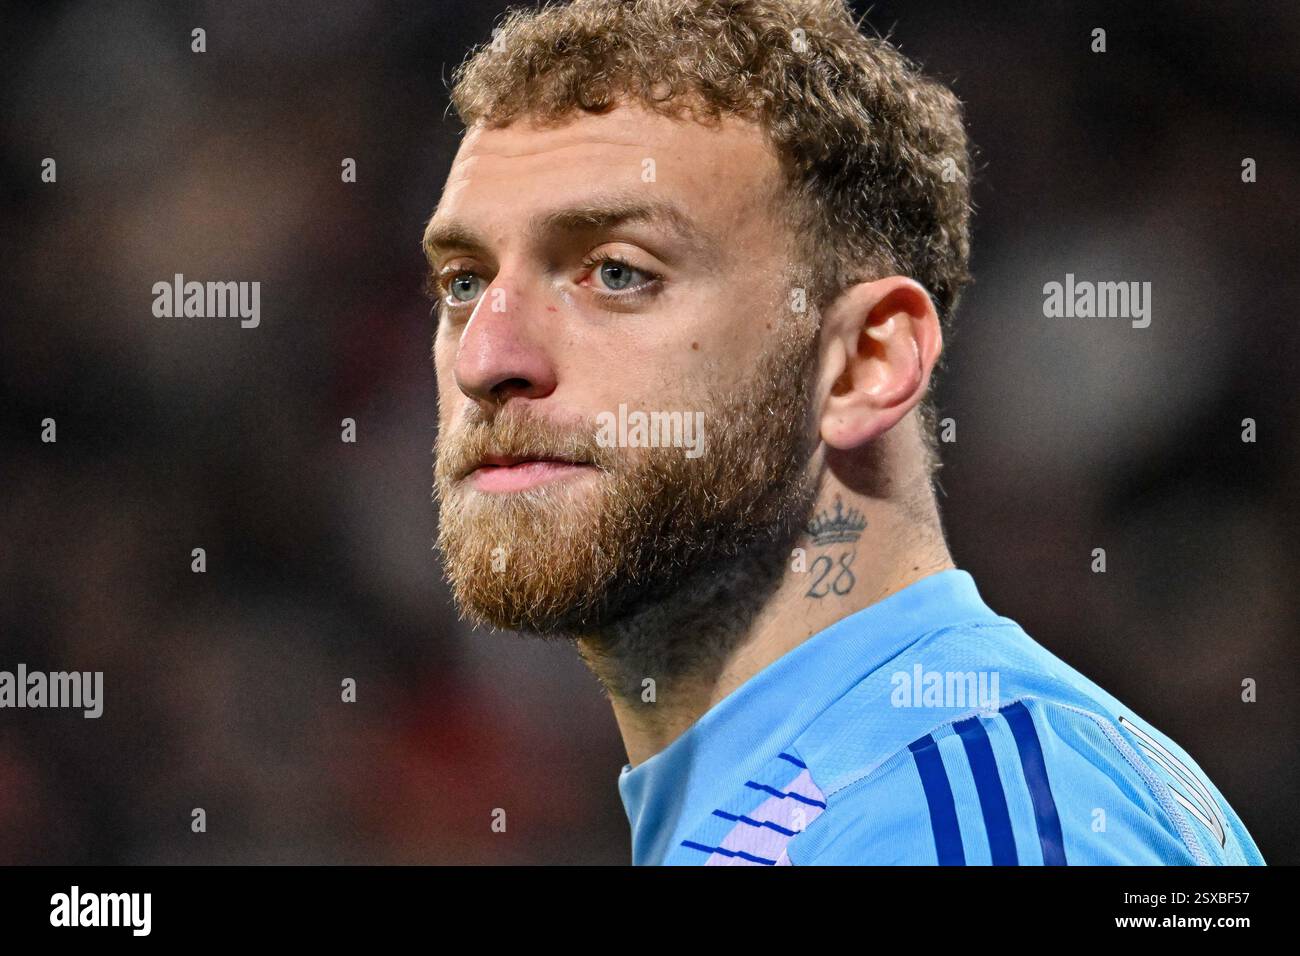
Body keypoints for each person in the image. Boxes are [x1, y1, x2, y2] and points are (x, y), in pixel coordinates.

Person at [424, 0, 1264, 865]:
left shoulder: (959, 826)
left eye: (617, 272)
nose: (486, 357)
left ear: (867, 362)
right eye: (462, 282)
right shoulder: (837, 802)